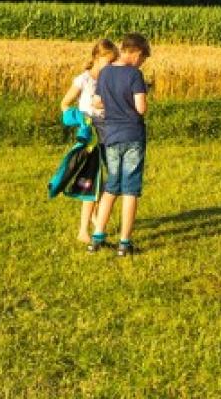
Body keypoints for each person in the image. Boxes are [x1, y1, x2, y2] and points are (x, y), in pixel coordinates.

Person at [88, 32, 151, 256]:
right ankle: (125, 243)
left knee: (111, 187)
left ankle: (97, 237)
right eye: (142, 58)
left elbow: (97, 101)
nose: (142, 62)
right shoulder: (135, 75)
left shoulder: (104, 73)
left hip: (111, 136)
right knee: (130, 190)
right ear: (135, 53)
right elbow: (141, 108)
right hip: (132, 135)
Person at [56, 39, 117, 244]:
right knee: (91, 181)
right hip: (91, 136)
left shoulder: (109, 81)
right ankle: (83, 230)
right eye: (109, 62)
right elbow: (65, 104)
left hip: (108, 133)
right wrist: (79, 118)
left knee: (108, 180)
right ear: (97, 58)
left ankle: (95, 218)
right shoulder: (83, 80)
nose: (111, 67)